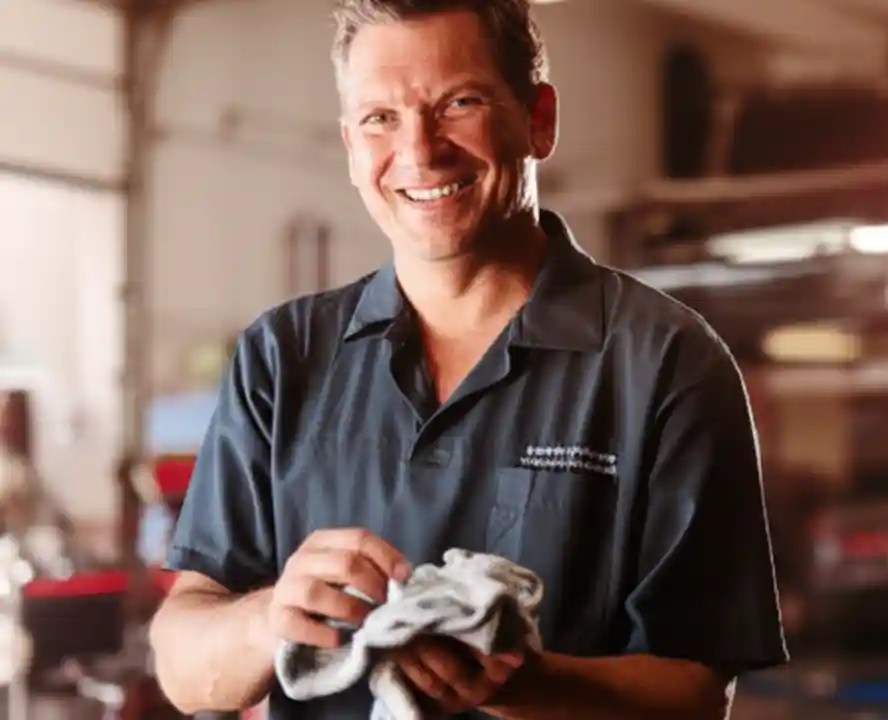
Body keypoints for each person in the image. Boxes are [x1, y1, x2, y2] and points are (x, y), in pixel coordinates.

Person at [148, 1, 789, 718]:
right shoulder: (282, 358)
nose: (420, 151)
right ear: (351, 146)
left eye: (459, 103)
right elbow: (183, 659)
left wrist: (519, 681)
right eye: (379, 118)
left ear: (538, 118)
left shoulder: (666, 364)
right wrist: (272, 620)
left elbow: (695, 694)